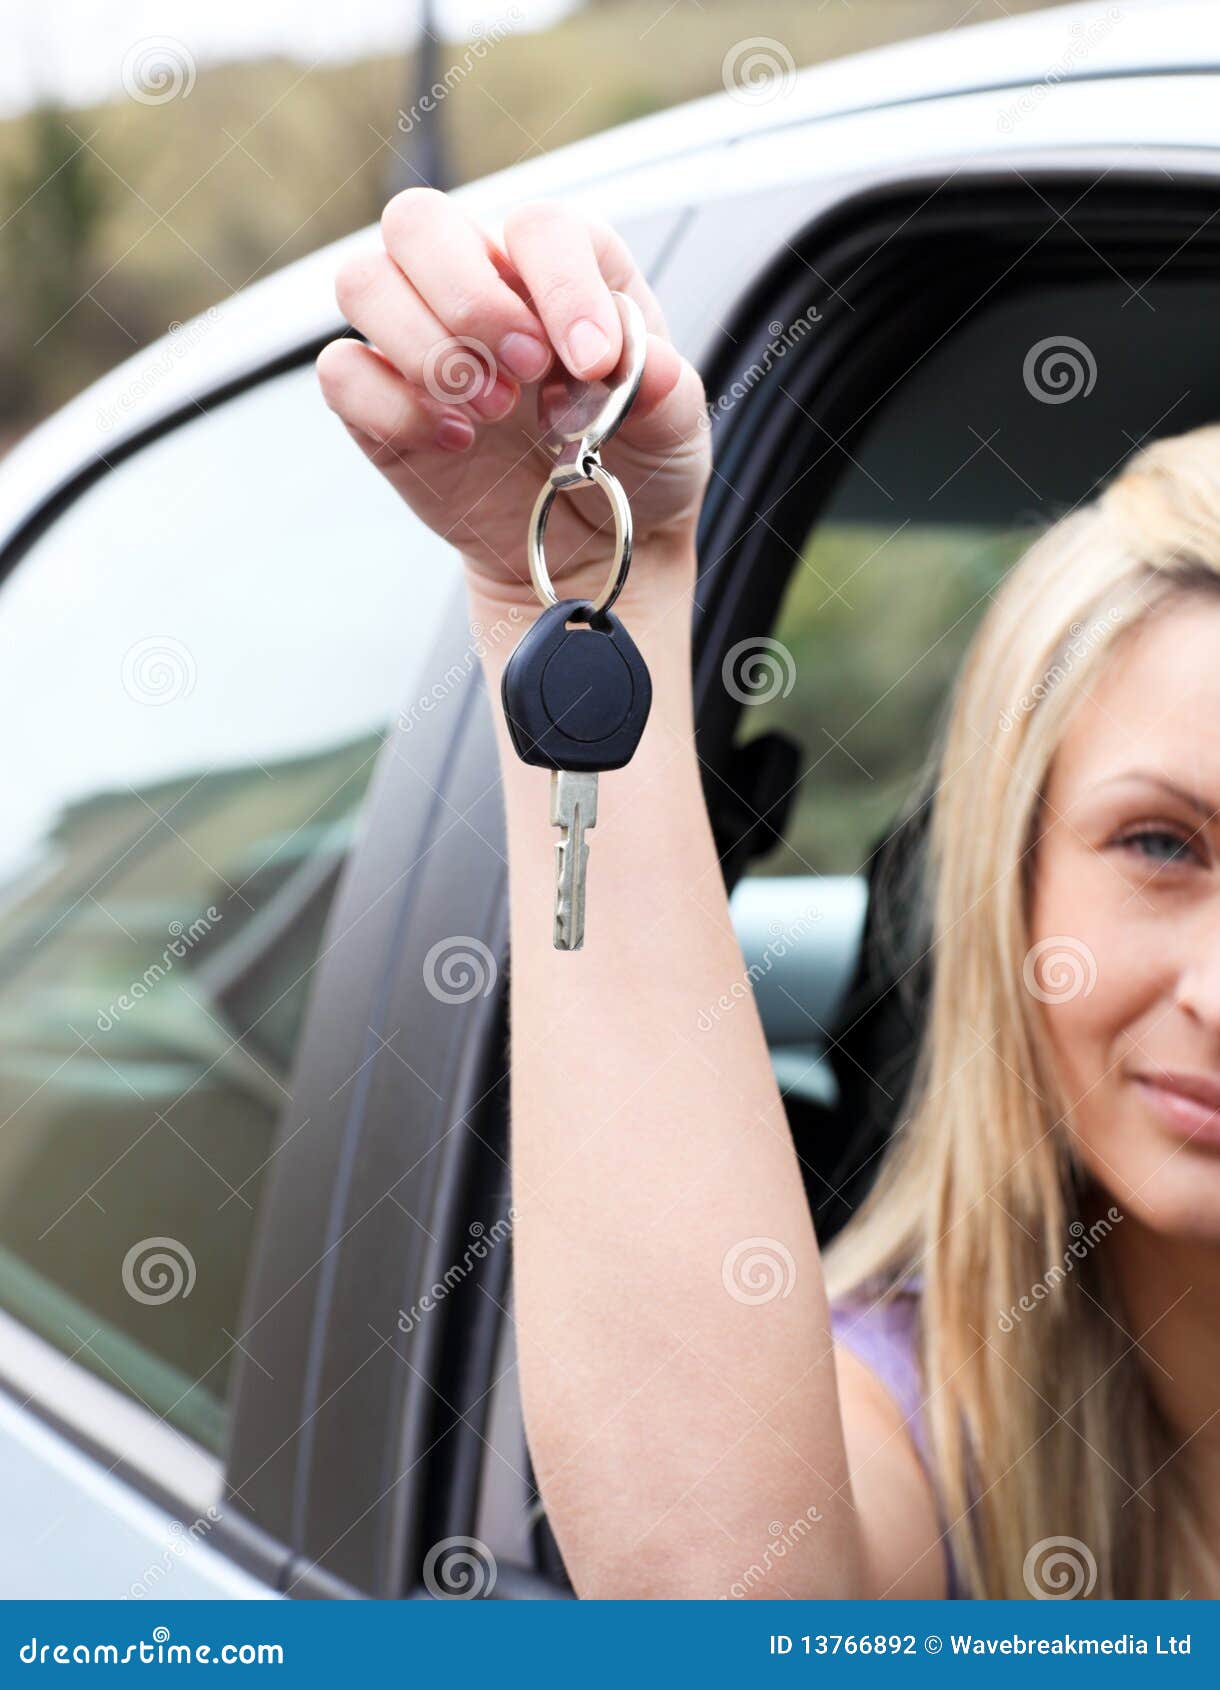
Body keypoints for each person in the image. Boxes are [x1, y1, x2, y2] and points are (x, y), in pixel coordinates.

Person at [316, 188, 1220, 1600]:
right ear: (1007, 876)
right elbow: (720, 1589)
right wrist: (570, 590)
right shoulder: (914, 1438)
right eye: (1163, 845)